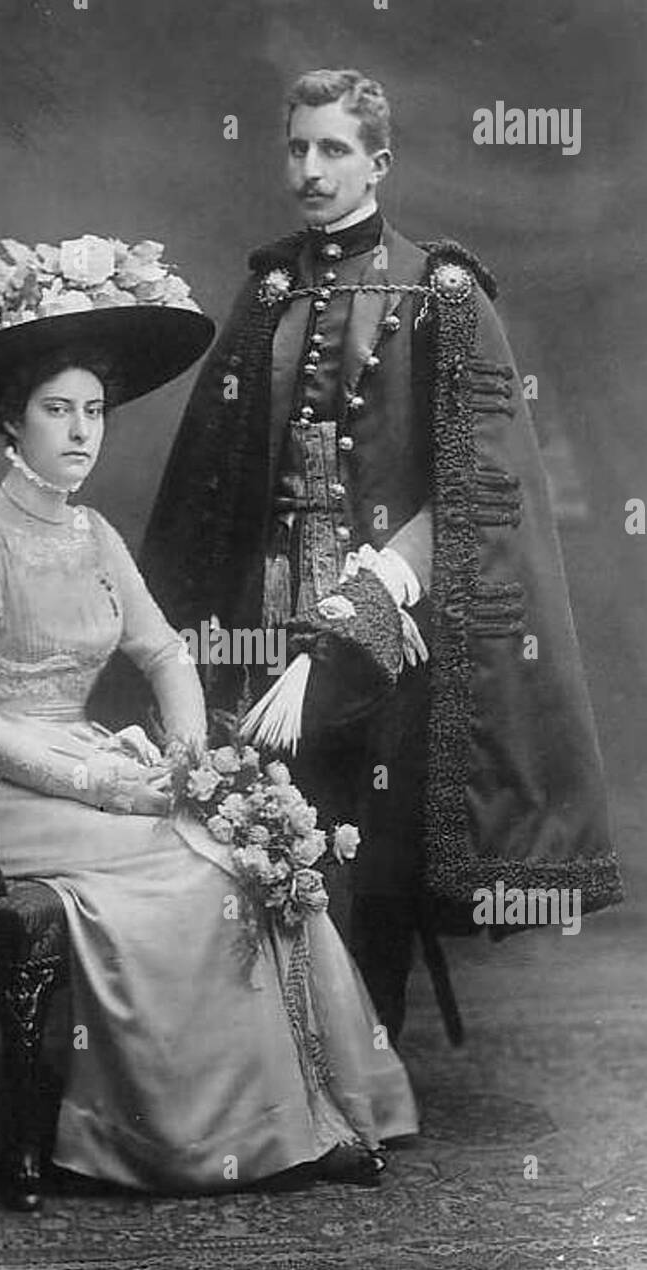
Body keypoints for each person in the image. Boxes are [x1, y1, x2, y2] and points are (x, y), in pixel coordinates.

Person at [0, 233, 418, 1201]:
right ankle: (192, 1135)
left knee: (248, 851)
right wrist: (107, 784)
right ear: (10, 423)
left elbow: (165, 653)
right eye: (56, 410)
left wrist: (187, 761)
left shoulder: (95, 534)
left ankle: (311, 1112)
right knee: (195, 871)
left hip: (102, 765)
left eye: (93, 411)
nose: (81, 432)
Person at [140, 70, 624, 1044]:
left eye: (333, 149)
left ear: (378, 162)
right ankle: (265, 1071)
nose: (310, 170)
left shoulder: (441, 294)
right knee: (245, 830)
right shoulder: (266, 292)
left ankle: (363, 1063)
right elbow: (217, 482)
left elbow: (477, 488)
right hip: (263, 612)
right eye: (296, 147)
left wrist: (369, 597)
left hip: (390, 621)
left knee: (367, 848)